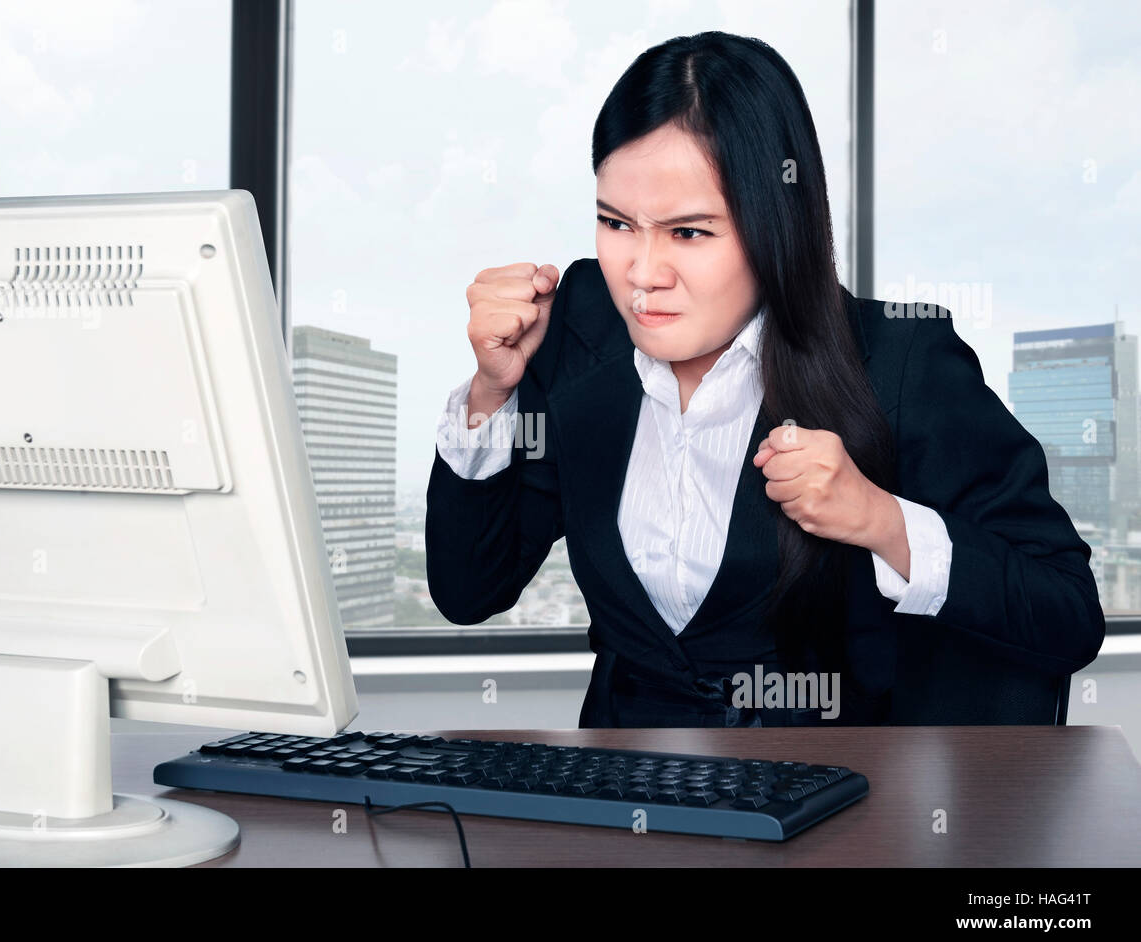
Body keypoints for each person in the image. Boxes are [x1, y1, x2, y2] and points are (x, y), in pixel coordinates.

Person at [425, 31, 1104, 728]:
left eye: (689, 232)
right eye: (617, 222)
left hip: (831, 808)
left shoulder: (902, 361)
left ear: (774, 223)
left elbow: (1067, 612)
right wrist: (491, 393)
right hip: (621, 800)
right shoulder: (580, 327)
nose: (643, 273)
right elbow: (469, 590)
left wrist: (880, 520)